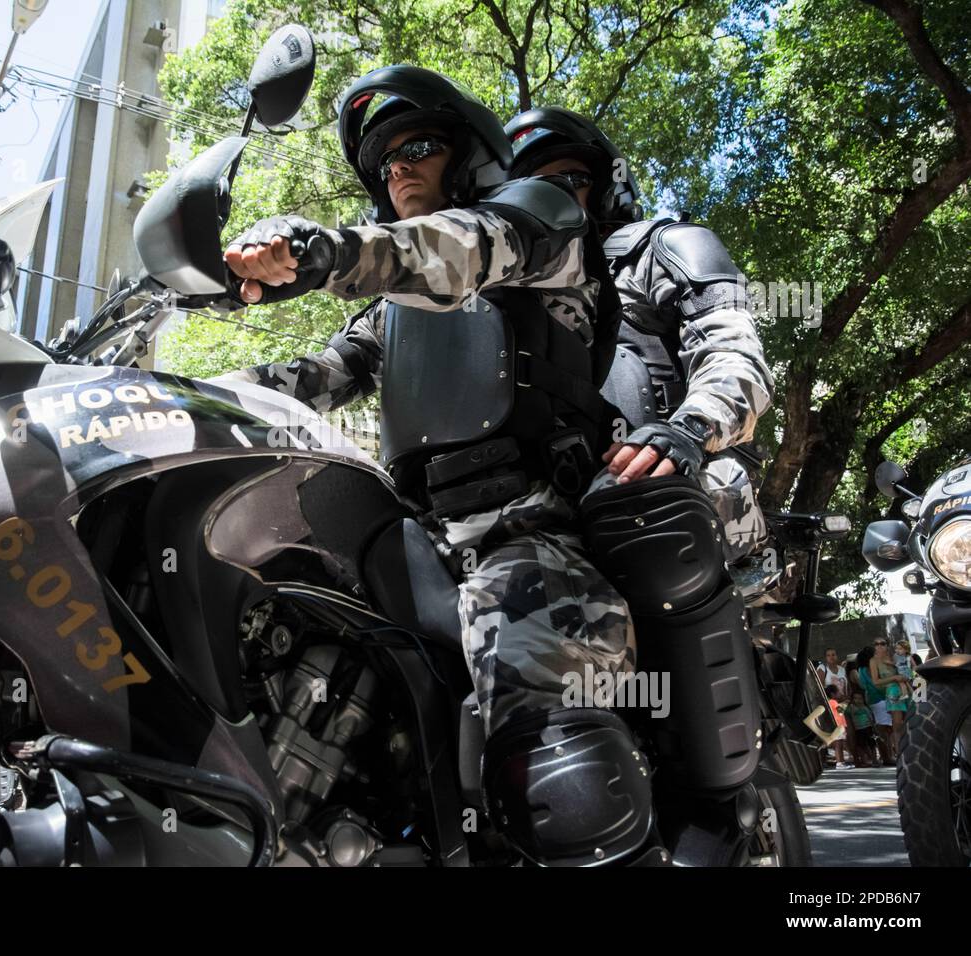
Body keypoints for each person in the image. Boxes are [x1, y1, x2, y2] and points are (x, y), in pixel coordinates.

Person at [218, 66, 658, 865]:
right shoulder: (389, 312)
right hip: (419, 550)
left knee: (553, 780)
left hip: (533, 539)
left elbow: (454, 253)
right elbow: (307, 381)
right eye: (385, 163)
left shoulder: (542, 225)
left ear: (472, 156)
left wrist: (325, 250)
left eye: (417, 146)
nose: (398, 170)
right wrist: (181, 400)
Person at [502, 107, 775, 564]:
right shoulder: (506, 293)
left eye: (570, 180)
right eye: (535, 190)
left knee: (637, 514)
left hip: (674, 481)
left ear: (609, 192)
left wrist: (685, 433)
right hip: (548, 498)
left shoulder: (660, 249)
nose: (552, 199)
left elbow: (735, 357)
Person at [870, 639, 912, 742]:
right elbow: (875, 681)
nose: (879, 646)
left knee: (910, 721)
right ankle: (899, 752)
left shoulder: (894, 656)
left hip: (905, 688)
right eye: (876, 644)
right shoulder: (873, 660)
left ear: (887, 646)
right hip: (892, 691)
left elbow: (907, 668)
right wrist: (894, 678)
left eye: (882, 643)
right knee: (897, 724)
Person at [845, 690, 877, 768]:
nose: (858, 700)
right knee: (861, 745)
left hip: (868, 728)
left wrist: (874, 728)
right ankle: (864, 760)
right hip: (859, 730)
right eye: (855, 698)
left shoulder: (865, 708)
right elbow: (844, 712)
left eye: (860, 698)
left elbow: (871, 718)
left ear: (863, 699)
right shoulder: (851, 708)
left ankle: (874, 760)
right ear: (852, 699)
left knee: (872, 745)